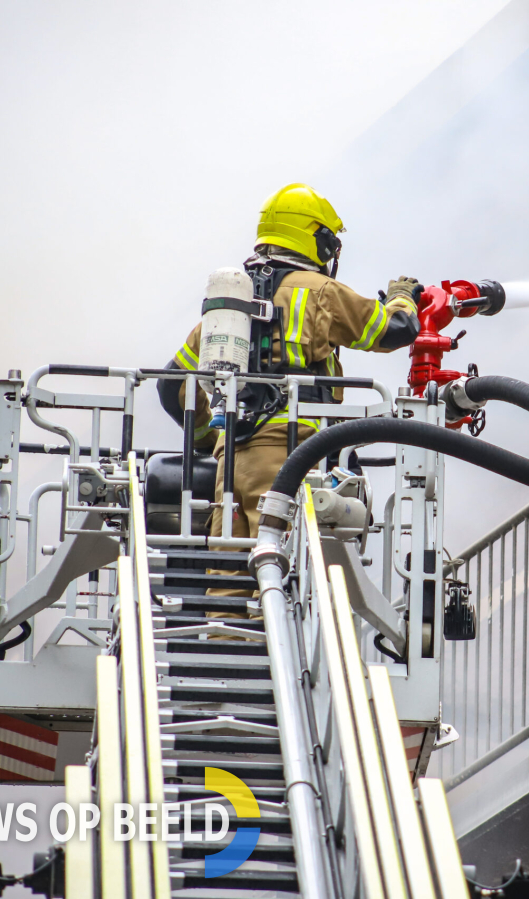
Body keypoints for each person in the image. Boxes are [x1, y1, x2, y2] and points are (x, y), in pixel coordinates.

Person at [157, 183, 420, 604]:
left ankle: (226, 651)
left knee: (227, 577)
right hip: (288, 457)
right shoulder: (320, 292)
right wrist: (403, 299)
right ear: (315, 237)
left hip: (231, 460)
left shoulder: (230, 302)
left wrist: (211, 439)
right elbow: (392, 331)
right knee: (278, 571)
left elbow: (172, 385)